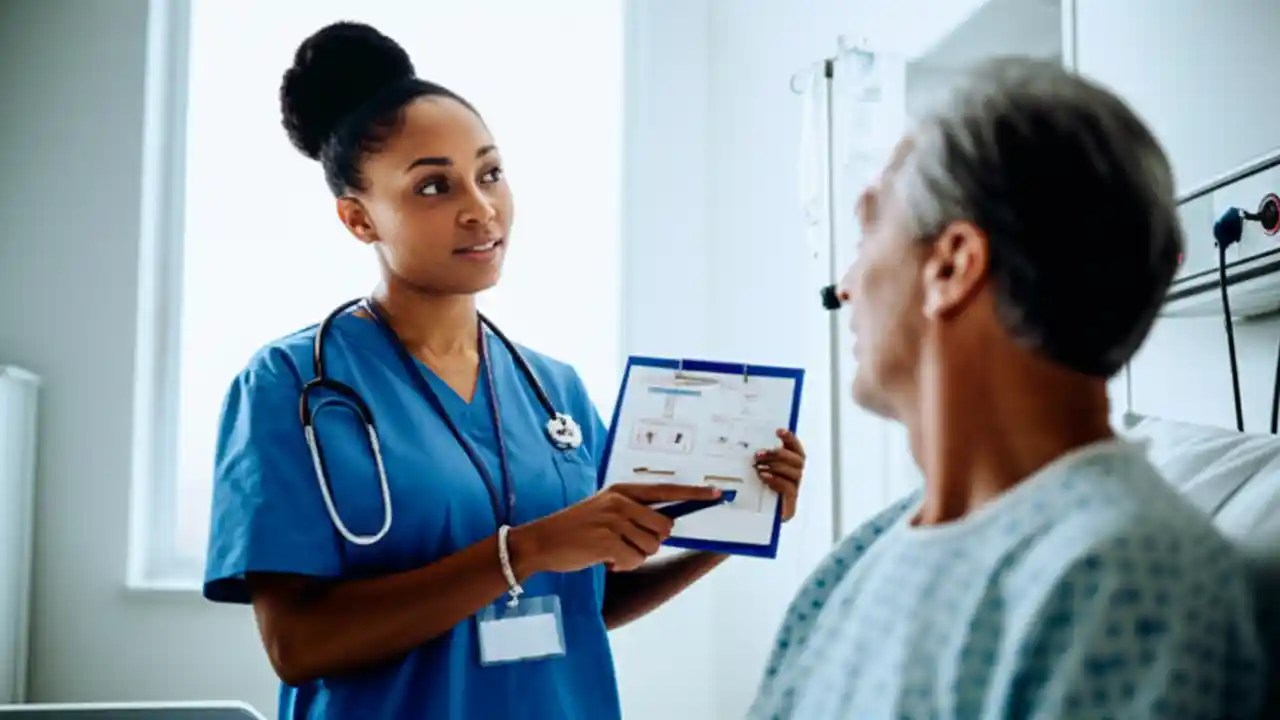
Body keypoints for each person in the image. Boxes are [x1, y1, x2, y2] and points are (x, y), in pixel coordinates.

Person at [201, 21, 807, 720]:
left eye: (489, 173)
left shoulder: (555, 390)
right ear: (358, 219)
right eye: (434, 187)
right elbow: (298, 644)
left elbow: (585, 599)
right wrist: (527, 548)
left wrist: (736, 525)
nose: (481, 209)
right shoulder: (290, 384)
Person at [748, 57, 1269, 719]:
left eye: (870, 227)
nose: (844, 286)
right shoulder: (864, 558)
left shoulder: (1122, 579)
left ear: (953, 267)